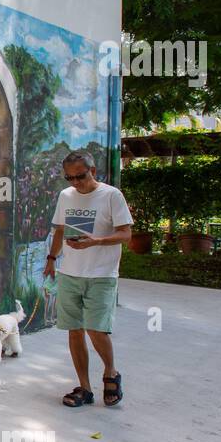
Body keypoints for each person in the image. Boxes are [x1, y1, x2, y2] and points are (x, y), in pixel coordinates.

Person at [41, 151, 132, 408]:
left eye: (80, 176)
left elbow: (126, 235)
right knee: (74, 329)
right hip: (70, 272)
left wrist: (97, 242)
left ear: (93, 171)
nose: (75, 183)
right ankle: (84, 387)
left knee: (96, 329)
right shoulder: (65, 196)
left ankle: (110, 372)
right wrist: (51, 259)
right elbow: (59, 229)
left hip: (101, 274)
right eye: (69, 178)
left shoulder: (111, 195)